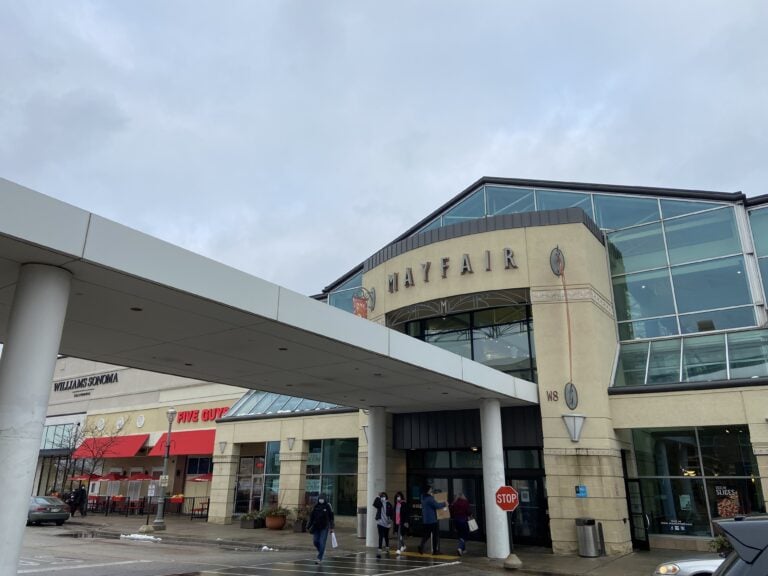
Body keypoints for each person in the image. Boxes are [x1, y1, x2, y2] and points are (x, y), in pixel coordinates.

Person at [417, 485, 446, 555]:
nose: (431, 490)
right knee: (435, 535)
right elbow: (437, 505)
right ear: (428, 490)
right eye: (430, 489)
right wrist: (444, 503)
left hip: (426, 520)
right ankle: (435, 551)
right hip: (432, 520)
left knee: (427, 535)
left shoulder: (423, 498)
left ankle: (421, 546)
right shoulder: (430, 498)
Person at [307, 494, 335, 565]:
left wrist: (332, 527)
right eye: (320, 499)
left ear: (325, 499)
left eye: (322, 499)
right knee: (315, 542)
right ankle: (321, 551)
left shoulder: (328, 506)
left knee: (322, 542)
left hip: (325, 527)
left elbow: (331, 517)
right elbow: (311, 517)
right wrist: (308, 526)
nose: (321, 500)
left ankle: (319, 558)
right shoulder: (316, 506)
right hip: (316, 527)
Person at [372, 491, 393, 558]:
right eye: (382, 496)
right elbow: (374, 504)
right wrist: (378, 496)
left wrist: (391, 519)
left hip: (387, 523)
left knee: (386, 536)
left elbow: (391, 513)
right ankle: (379, 549)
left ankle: (387, 547)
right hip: (380, 522)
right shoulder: (379, 503)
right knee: (380, 536)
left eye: (384, 496)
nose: (383, 497)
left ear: (386, 497)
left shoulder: (389, 504)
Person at [449, 492, 471, 556]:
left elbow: (451, 510)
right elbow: (468, 511)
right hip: (463, 520)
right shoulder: (465, 502)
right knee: (464, 535)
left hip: (456, 521)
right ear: (463, 496)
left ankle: (463, 550)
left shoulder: (454, 503)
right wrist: (470, 514)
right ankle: (460, 548)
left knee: (460, 535)